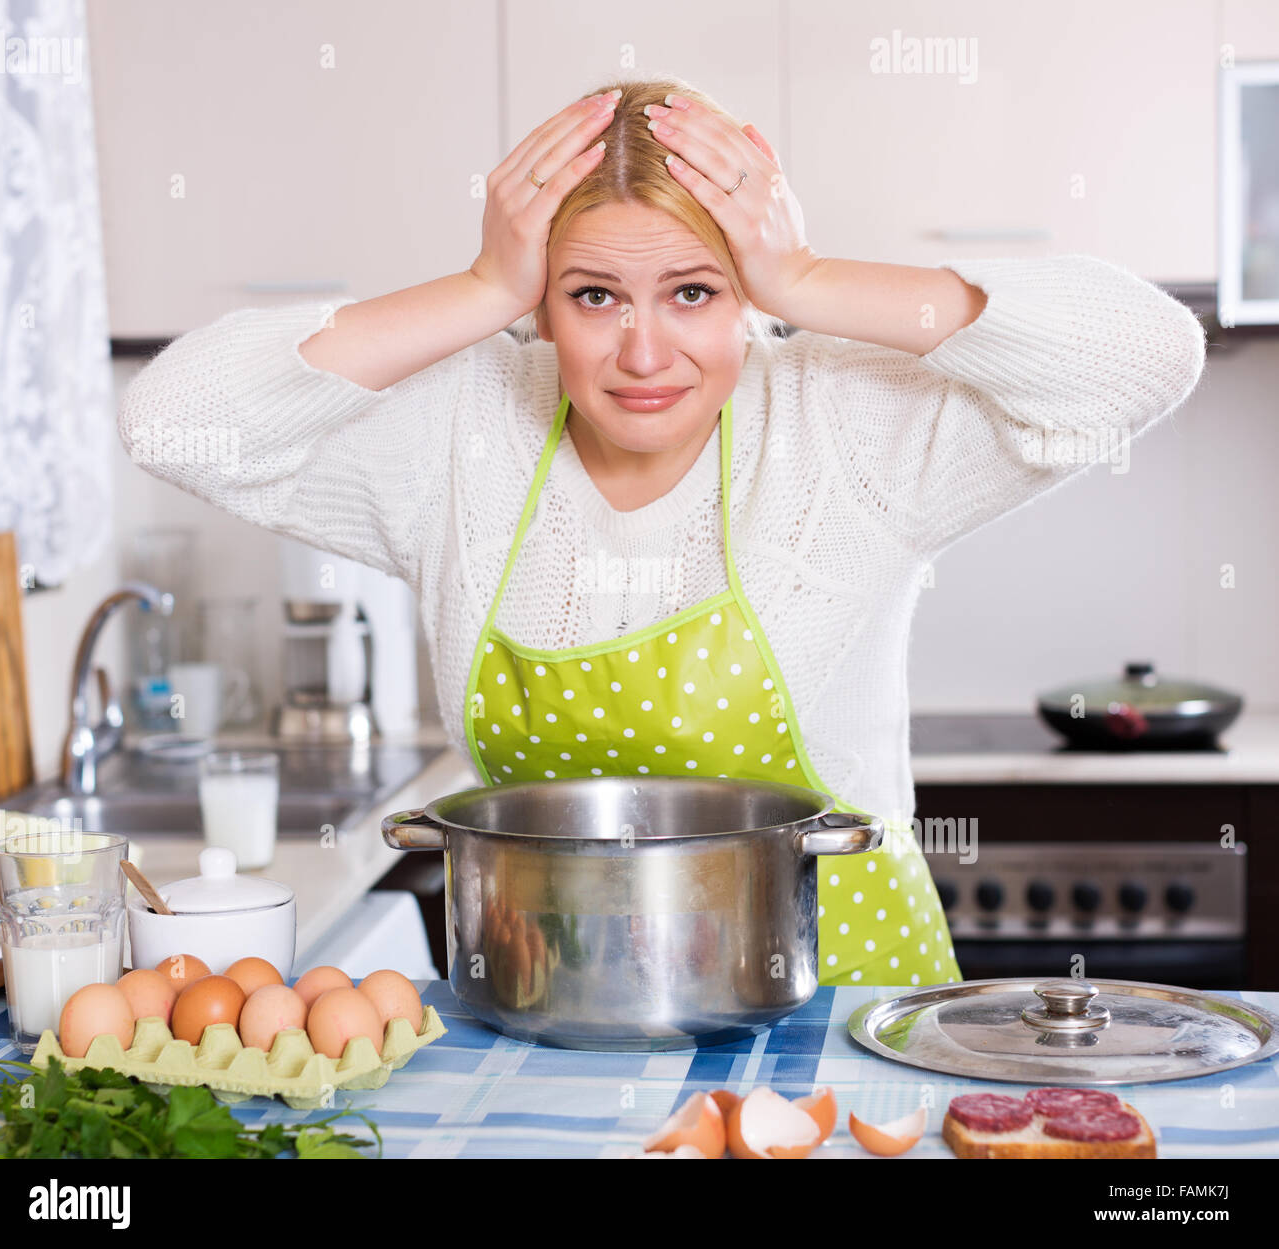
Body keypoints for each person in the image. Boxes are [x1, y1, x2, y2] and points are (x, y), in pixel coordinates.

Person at [119, 76, 1206, 987]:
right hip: (547, 1021)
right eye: (593, 296)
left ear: (749, 299)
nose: (644, 354)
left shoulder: (838, 422)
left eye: (693, 290)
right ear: (542, 307)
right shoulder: (463, 432)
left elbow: (1147, 351)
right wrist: (481, 284)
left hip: (833, 1016)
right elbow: (172, 420)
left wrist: (809, 279)